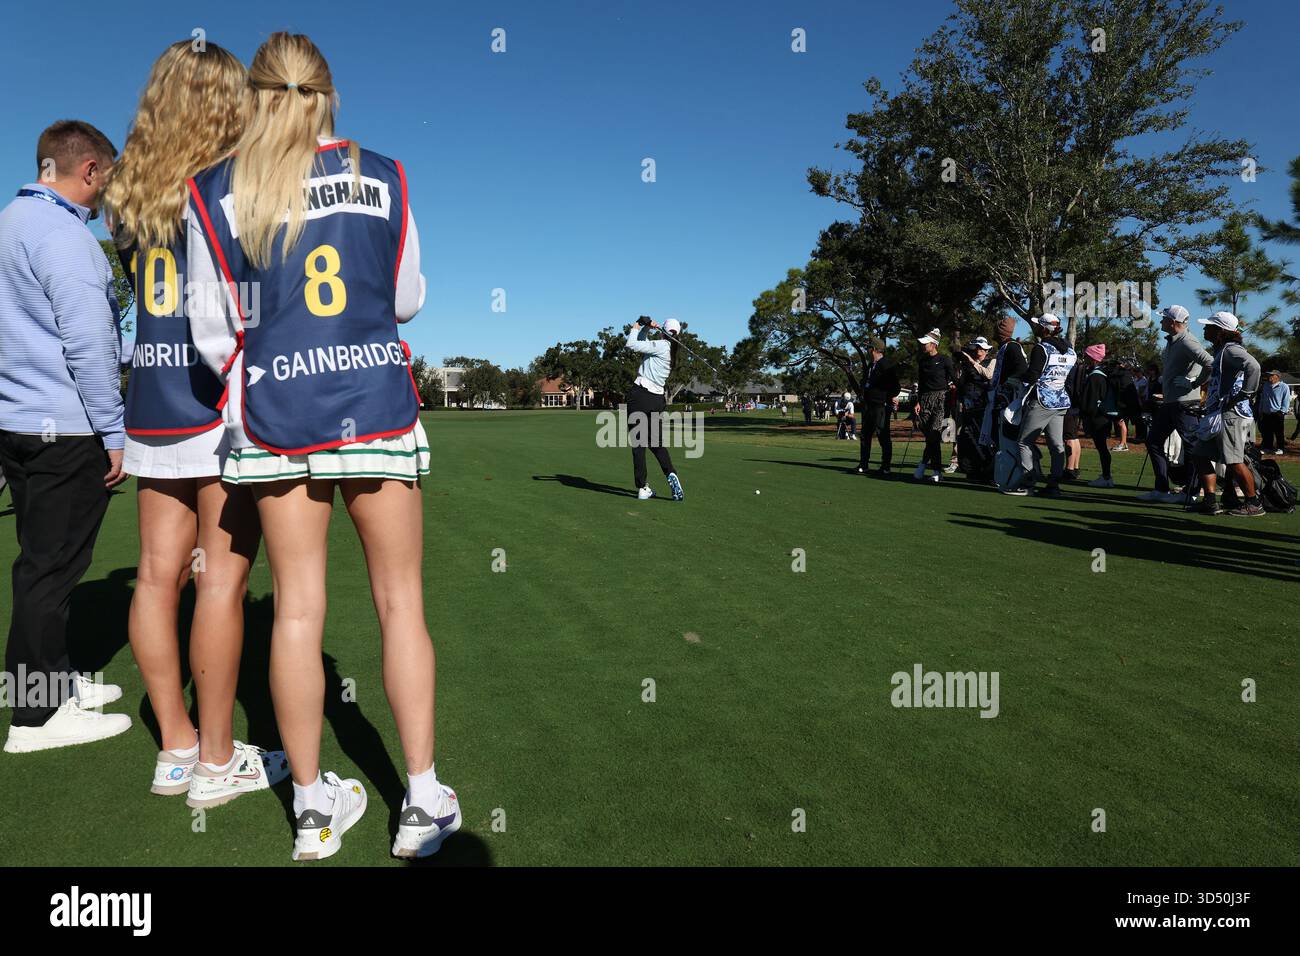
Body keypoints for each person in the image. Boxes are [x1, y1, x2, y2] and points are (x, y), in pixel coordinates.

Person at [187, 32, 455, 860]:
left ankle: (309, 808)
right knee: (399, 603)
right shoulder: (385, 172)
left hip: (277, 415)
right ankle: (419, 798)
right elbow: (406, 298)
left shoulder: (214, 189)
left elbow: (210, 329)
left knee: (297, 611)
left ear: (257, 95)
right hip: (376, 403)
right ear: (329, 95)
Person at [103, 40, 288, 803]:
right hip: (215, 400)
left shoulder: (126, 195)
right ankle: (217, 758)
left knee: (155, 575)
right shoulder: (234, 187)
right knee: (222, 580)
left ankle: (175, 747)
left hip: (149, 398)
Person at [0, 121, 132, 753]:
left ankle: (50, 683)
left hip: (19, 425)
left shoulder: (10, 222)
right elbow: (89, 342)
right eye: (105, 177)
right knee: (49, 570)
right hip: (65, 427)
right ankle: (34, 718)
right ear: (90, 172)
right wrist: (113, 430)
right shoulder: (65, 237)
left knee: (42, 561)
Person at [1136, 305, 1214, 504]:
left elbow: (1209, 363)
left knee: (1191, 447)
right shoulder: (1174, 341)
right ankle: (1162, 488)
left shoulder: (1187, 341)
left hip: (1185, 403)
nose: (1161, 322)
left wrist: (1194, 382)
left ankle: (1192, 491)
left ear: (1173, 322)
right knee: (1153, 441)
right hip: (1172, 403)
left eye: (1163, 319)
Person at [1190, 312, 1263, 517]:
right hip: (1220, 414)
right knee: (1200, 454)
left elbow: (1254, 366)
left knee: (1233, 460)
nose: (1205, 330)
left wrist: (1245, 394)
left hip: (1231, 414)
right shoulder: (1223, 350)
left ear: (1221, 331)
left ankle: (1253, 502)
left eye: (1209, 326)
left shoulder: (1231, 350)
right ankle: (1211, 501)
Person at [1009, 314, 1076, 498]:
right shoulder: (1070, 350)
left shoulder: (1041, 348)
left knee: (1024, 441)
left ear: (1045, 329)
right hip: (1061, 401)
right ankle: (1054, 485)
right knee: (1056, 445)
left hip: (1042, 400)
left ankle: (1027, 482)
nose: (1035, 327)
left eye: (1038, 325)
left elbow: (1033, 376)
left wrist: (1016, 378)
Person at [624, 316, 685, 500]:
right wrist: (646, 329)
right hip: (657, 400)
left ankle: (642, 487)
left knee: (639, 444)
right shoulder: (670, 351)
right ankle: (670, 473)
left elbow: (631, 344)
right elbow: (643, 343)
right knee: (656, 443)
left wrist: (637, 324)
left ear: (664, 330)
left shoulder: (661, 346)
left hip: (640, 396)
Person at [982, 316, 1031, 492]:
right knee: (999, 438)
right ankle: (999, 473)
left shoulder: (1011, 347)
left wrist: (1005, 389)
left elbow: (1021, 370)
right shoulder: (1007, 346)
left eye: (996, 329)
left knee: (1006, 439)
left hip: (1009, 401)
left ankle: (1009, 475)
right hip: (1005, 398)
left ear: (1001, 332)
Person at [911, 329, 955, 483]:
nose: (923, 346)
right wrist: (918, 401)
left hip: (941, 399)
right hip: (925, 400)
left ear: (934, 344)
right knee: (930, 436)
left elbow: (954, 379)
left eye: (926, 343)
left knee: (934, 435)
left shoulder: (945, 360)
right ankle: (928, 468)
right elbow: (921, 383)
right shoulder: (922, 361)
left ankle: (930, 469)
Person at [857, 338, 900, 475]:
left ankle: (885, 467)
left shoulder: (886, 365)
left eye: (869, 348)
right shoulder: (871, 366)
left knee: (883, 435)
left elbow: (896, 386)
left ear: (874, 349)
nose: (867, 351)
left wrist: (889, 397)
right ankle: (863, 465)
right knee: (865, 435)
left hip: (880, 405)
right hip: (869, 405)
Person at [1079, 344, 1115, 488]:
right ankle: (1106, 476)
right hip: (1104, 417)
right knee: (1102, 448)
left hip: (1097, 418)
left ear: (1093, 358)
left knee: (1102, 448)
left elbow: (1090, 401)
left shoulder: (1095, 377)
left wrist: (1084, 415)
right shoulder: (1103, 374)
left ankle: (1106, 477)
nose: (1086, 358)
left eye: (1088, 356)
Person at [1257, 370, 1290, 454]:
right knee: (1267, 432)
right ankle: (1268, 448)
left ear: (1277, 377)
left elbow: (1286, 400)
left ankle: (1280, 448)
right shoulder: (1266, 385)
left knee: (1278, 432)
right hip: (1266, 413)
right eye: (1269, 375)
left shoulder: (1284, 386)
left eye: (1271, 375)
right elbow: (1262, 399)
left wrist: (1282, 411)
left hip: (1277, 413)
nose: (1269, 377)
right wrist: (1260, 410)